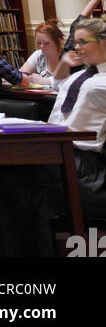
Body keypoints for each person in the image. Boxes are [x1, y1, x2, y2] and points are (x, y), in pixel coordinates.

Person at [48, 16, 106, 218]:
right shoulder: (81, 75)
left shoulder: (101, 81)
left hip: (82, 159)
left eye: (83, 42)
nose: (77, 47)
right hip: (56, 145)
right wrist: (64, 63)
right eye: (75, 42)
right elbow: (56, 85)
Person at [20, 21, 65, 88]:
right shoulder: (39, 55)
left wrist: (43, 80)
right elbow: (21, 74)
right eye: (38, 43)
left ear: (59, 41)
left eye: (46, 43)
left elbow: (71, 81)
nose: (42, 46)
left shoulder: (68, 57)